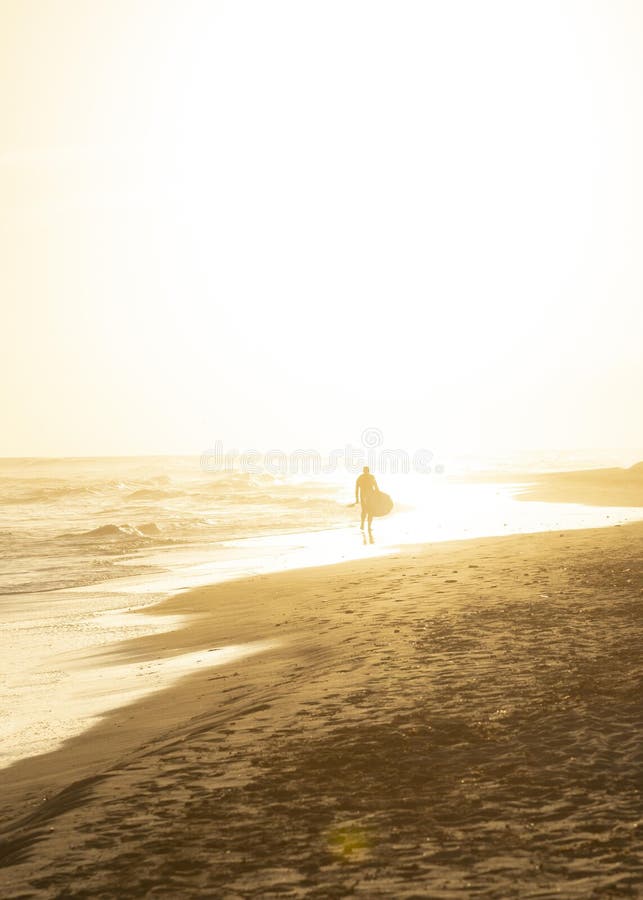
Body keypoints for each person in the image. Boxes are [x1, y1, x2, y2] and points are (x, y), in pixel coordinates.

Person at [355, 465, 378, 534]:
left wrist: (357, 498)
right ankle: (368, 527)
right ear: (368, 471)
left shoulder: (360, 477)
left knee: (364, 511)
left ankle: (362, 524)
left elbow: (356, 489)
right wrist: (378, 496)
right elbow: (376, 487)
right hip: (369, 497)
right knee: (370, 512)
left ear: (364, 471)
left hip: (363, 496)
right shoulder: (371, 477)